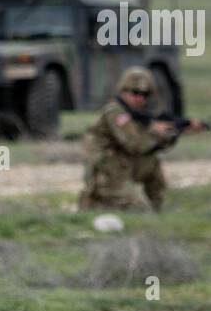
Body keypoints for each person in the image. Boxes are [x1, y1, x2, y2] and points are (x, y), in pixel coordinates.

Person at [78, 66, 203, 211]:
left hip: (125, 167)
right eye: (135, 92)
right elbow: (135, 144)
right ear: (123, 91)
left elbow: (152, 146)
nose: (140, 98)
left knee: (153, 164)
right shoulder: (116, 113)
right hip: (107, 173)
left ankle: (157, 212)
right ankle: (98, 204)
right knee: (139, 209)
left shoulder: (139, 114)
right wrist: (159, 133)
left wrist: (176, 131)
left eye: (145, 94)